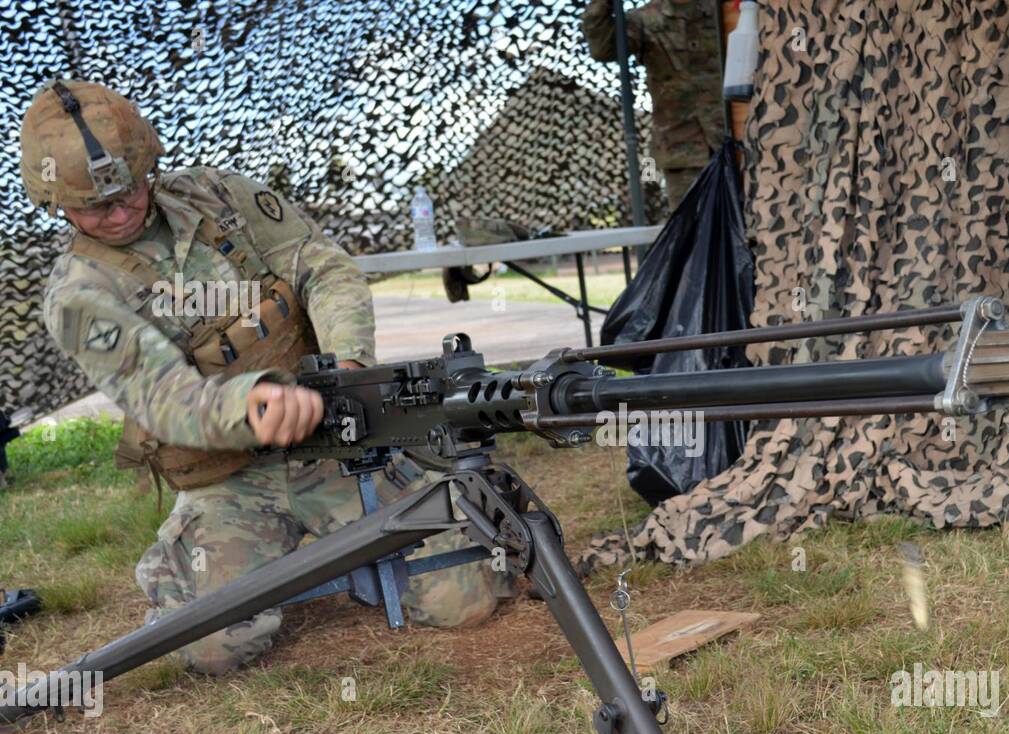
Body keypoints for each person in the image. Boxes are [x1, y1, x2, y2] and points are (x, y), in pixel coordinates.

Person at [20, 79, 509, 675]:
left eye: (130, 190)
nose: (120, 210)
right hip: (231, 480)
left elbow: (322, 267)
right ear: (55, 203)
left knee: (467, 600)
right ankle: (181, 569)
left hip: (334, 449)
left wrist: (348, 363)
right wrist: (256, 403)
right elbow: (166, 401)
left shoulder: (218, 197)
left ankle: (364, 533)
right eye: (96, 206)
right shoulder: (78, 296)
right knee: (213, 652)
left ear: (148, 166)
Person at [582, 0, 727, 209]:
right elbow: (603, 49)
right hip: (682, 150)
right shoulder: (644, 19)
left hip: (739, 141)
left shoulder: (724, 10)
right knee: (694, 231)